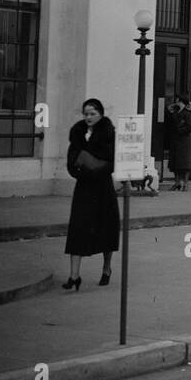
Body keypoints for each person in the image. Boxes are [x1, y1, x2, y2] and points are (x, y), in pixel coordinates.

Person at [63, 98, 120, 291]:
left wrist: (95, 170)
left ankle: (106, 269)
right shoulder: (77, 133)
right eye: (86, 114)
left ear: (101, 114)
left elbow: (112, 162)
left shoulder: (108, 134)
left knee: (106, 228)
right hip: (84, 187)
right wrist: (80, 172)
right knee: (78, 228)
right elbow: (71, 161)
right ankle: (74, 275)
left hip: (102, 187)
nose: (88, 117)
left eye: (92, 113)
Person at [166, 97, 191, 191]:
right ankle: (177, 182)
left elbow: (190, 126)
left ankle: (185, 183)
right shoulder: (175, 112)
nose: (176, 102)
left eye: (178, 101)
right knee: (175, 162)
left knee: (184, 162)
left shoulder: (188, 113)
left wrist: (179, 130)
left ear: (182, 102)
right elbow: (170, 120)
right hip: (175, 139)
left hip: (185, 140)